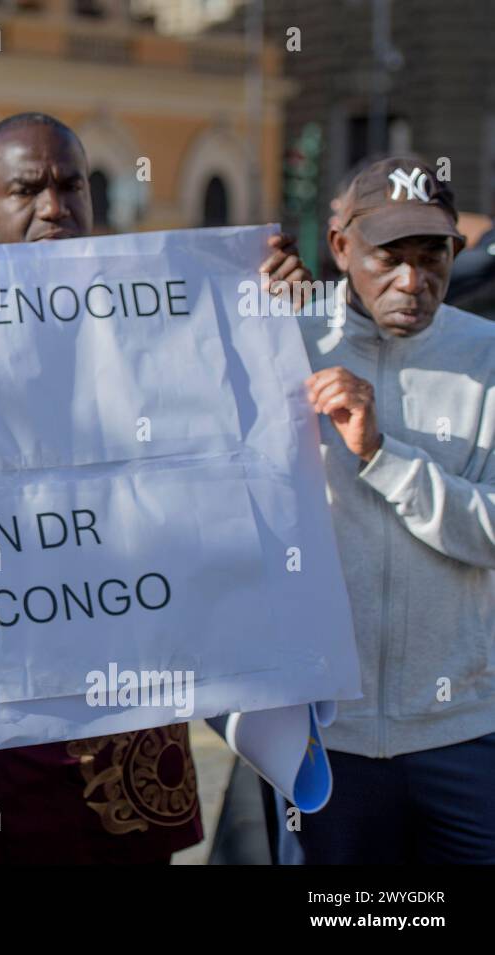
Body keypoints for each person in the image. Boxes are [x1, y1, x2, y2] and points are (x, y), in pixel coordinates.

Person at [0, 112, 312, 864]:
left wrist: (281, 321)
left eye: (71, 185)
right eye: (27, 189)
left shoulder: (164, 318)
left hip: (122, 724)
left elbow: (250, 451)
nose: (54, 206)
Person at [295, 157, 495, 863]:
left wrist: (382, 453)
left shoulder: (488, 356)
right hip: (327, 739)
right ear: (341, 246)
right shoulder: (281, 342)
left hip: (464, 732)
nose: (412, 281)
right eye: (389, 256)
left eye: (431, 256)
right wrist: (238, 307)